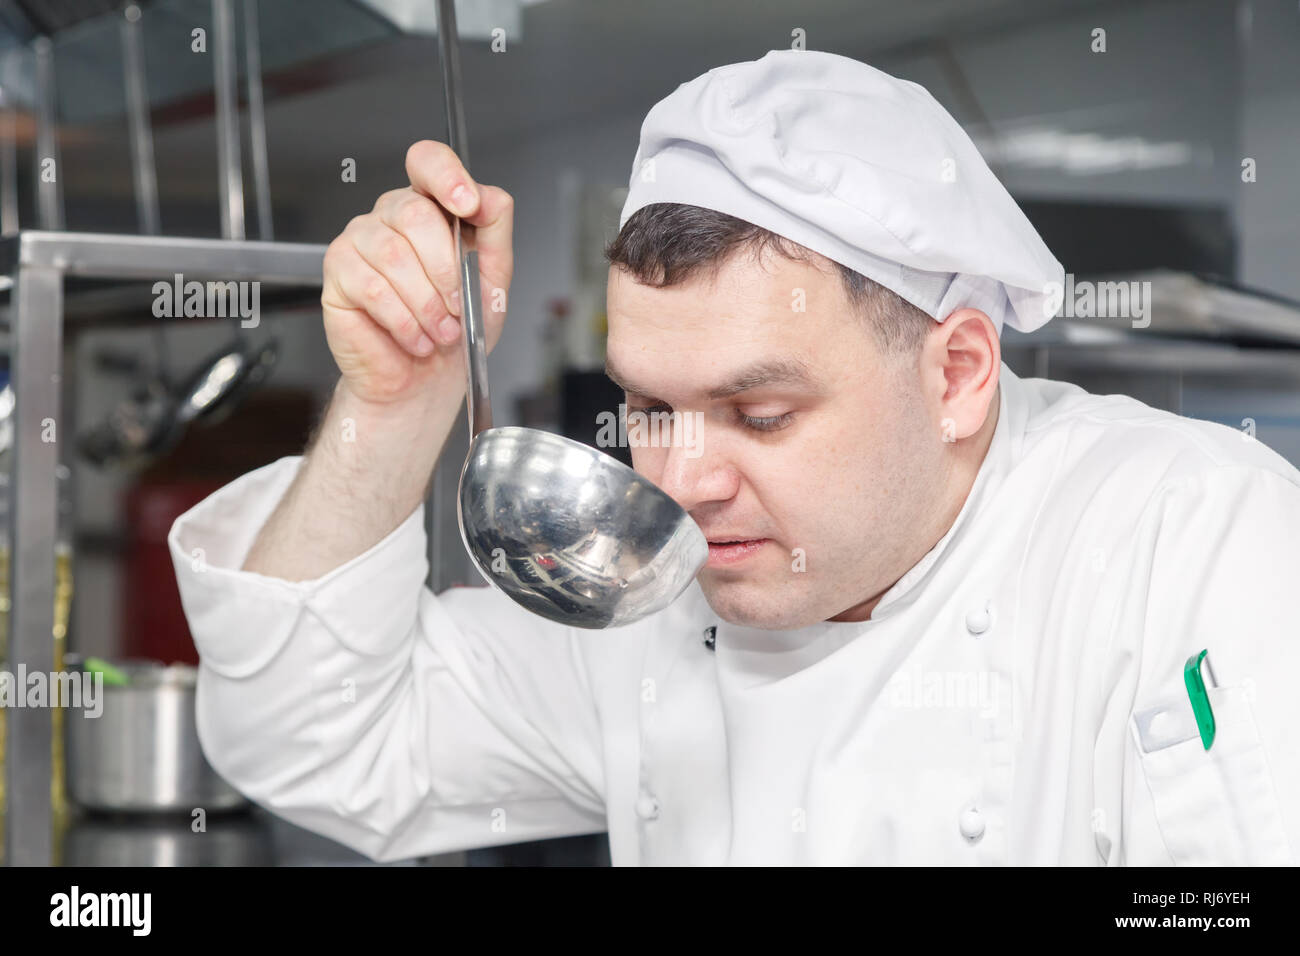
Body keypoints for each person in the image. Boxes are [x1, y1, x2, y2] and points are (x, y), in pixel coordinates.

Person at [168, 50, 1300, 865]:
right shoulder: (659, 595)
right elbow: (314, 738)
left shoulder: (1191, 535)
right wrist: (398, 401)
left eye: (758, 414)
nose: (682, 484)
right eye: (649, 407)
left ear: (955, 373)